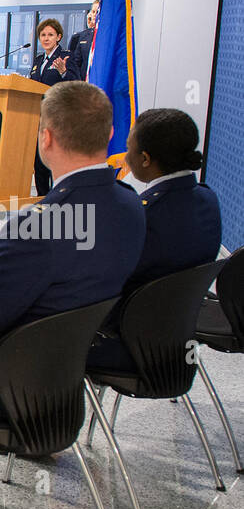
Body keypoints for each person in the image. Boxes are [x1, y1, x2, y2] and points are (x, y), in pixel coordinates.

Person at [0, 81, 145, 507]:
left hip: (5, 387)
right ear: (109, 134)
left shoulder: (40, 225)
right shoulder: (130, 206)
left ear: (45, 138)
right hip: (61, 387)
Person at [88, 108, 222, 372]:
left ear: (146, 159)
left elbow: (103, 279)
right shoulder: (209, 200)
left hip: (133, 334)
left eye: (129, 149)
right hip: (179, 333)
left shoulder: (144, 217)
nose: (125, 156)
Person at [29, 18, 74, 196]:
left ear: (59, 37)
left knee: (54, 162)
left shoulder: (66, 57)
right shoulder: (38, 60)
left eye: (50, 35)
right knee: (38, 161)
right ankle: (43, 200)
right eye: (43, 35)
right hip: (37, 117)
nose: (46, 38)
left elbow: (75, 83)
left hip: (57, 118)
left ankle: (59, 199)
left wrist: (63, 71)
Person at [67, 0, 102, 81]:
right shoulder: (84, 36)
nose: (94, 15)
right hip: (83, 83)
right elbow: (76, 63)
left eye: (97, 12)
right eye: (93, 12)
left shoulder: (106, 36)